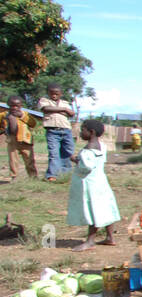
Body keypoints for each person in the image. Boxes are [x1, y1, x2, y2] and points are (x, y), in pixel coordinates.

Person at [67, 120, 120, 251]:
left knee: (93, 211)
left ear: (91, 132)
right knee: (107, 207)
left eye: (82, 130)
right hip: (101, 181)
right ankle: (110, 237)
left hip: (90, 185)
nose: (80, 132)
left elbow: (86, 167)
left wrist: (75, 160)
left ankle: (90, 241)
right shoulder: (102, 146)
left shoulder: (87, 151)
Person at [38, 85, 76, 180]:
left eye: (56, 94)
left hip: (66, 130)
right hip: (52, 131)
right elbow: (46, 109)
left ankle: (65, 174)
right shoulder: (44, 101)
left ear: (61, 94)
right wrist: (64, 110)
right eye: (52, 94)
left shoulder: (65, 103)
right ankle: (52, 175)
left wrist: (57, 110)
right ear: (48, 93)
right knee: (54, 153)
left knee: (67, 152)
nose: (54, 96)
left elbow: (71, 114)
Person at [6, 97, 38, 179]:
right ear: (8, 105)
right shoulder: (5, 115)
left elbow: (33, 123)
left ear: (21, 106)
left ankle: (33, 176)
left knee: (29, 159)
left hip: (26, 140)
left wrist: (22, 116)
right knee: (13, 160)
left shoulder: (26, 114)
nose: (14, 108)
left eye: (17, 106)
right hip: (12, 141)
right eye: (12, 106)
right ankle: (14, 176)